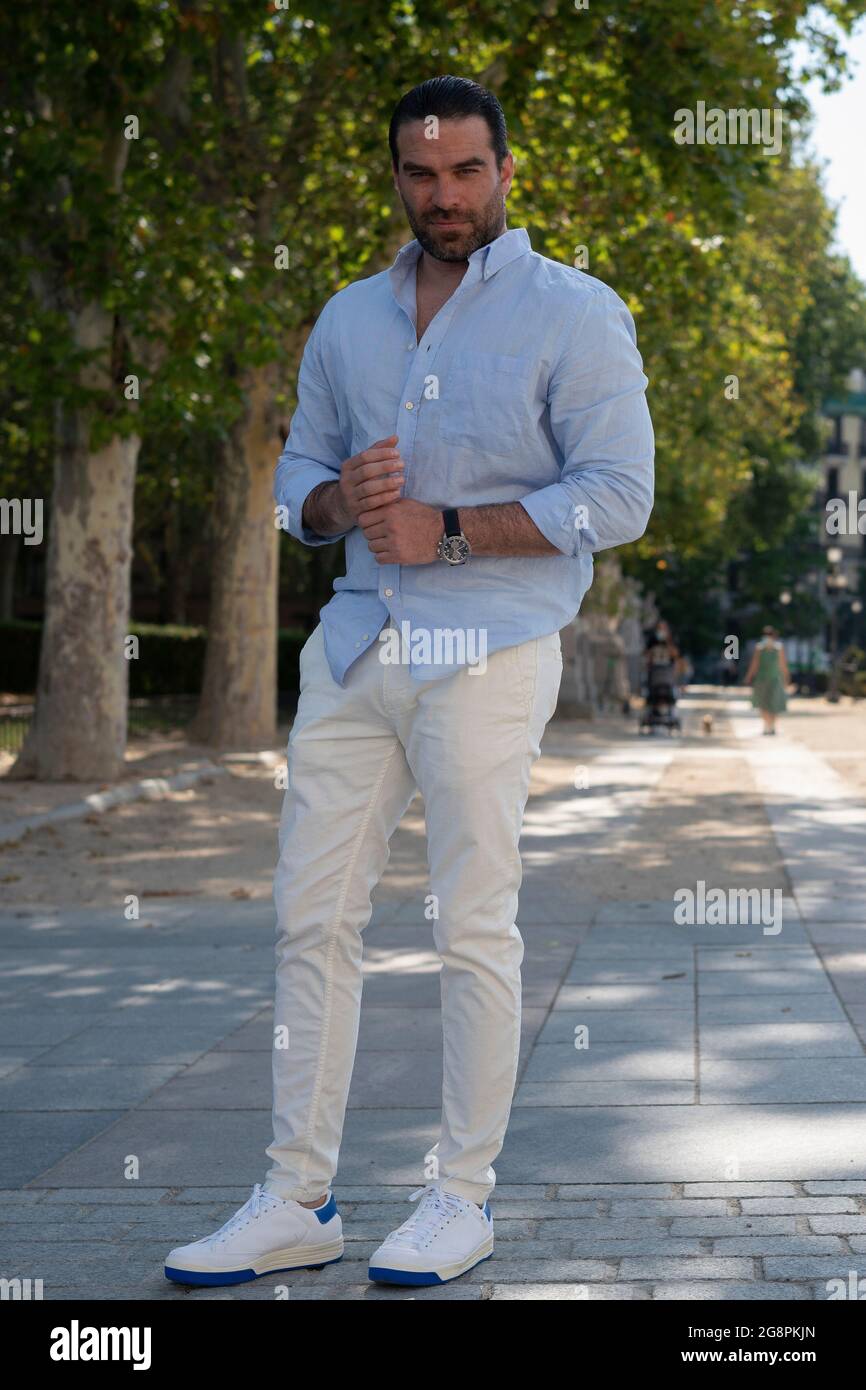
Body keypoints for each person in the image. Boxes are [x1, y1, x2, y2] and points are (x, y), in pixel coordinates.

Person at [165, 74, 654, 1290]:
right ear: (395, 176)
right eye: (420, 174)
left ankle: (459, 1196)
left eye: (466, 172)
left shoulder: (573, 312)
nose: (444, 195)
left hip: (486, 649)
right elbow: (301, 477)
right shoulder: (348, 319)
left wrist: (444, 531)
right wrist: (336, 504)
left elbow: (617, 495)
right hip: (351, 649)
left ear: (504, 169)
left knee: (471, 924)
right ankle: (296, 1195)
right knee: (306, 922)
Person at [744, 625, 790, 734]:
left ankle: (768, 725)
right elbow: (783, 665)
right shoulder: (774, 648)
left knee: (765, 703)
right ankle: (771, 725)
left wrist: (748, 677)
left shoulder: (762, 648)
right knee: (772, 703)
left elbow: (754, 665)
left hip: (765, 679)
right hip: (772, 679)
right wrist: (786, 678)